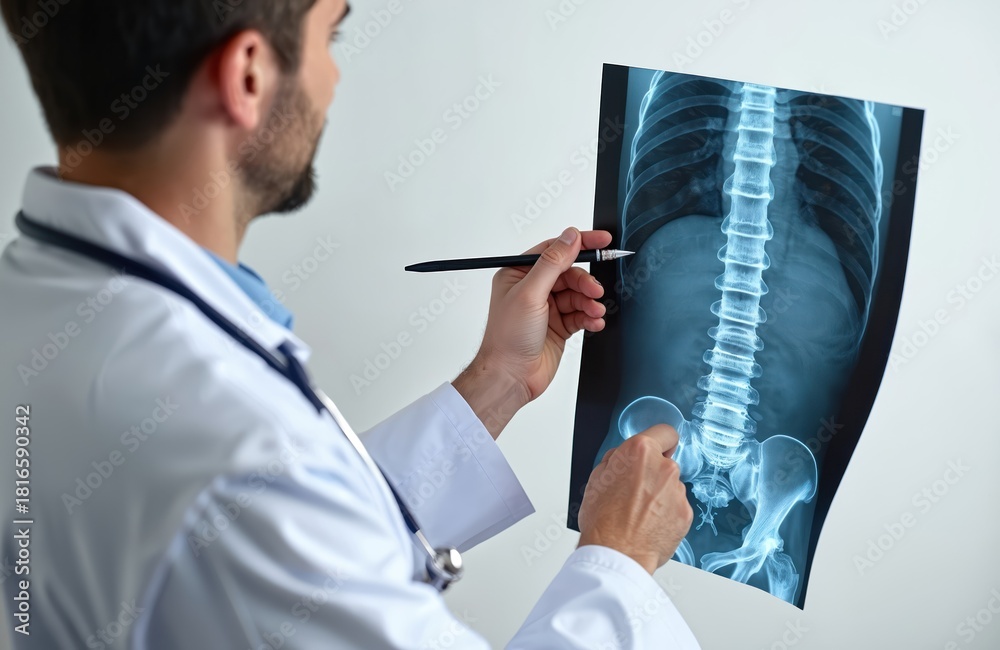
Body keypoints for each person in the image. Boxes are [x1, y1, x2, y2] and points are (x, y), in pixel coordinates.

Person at [0, 0, 698, 647]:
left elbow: (268, 545)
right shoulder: (226, 444)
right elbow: (264, 513)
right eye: (329, 35)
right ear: (246, 76)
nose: (333, 78)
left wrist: (499, 383)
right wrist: (620, 562)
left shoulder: (38, 304)